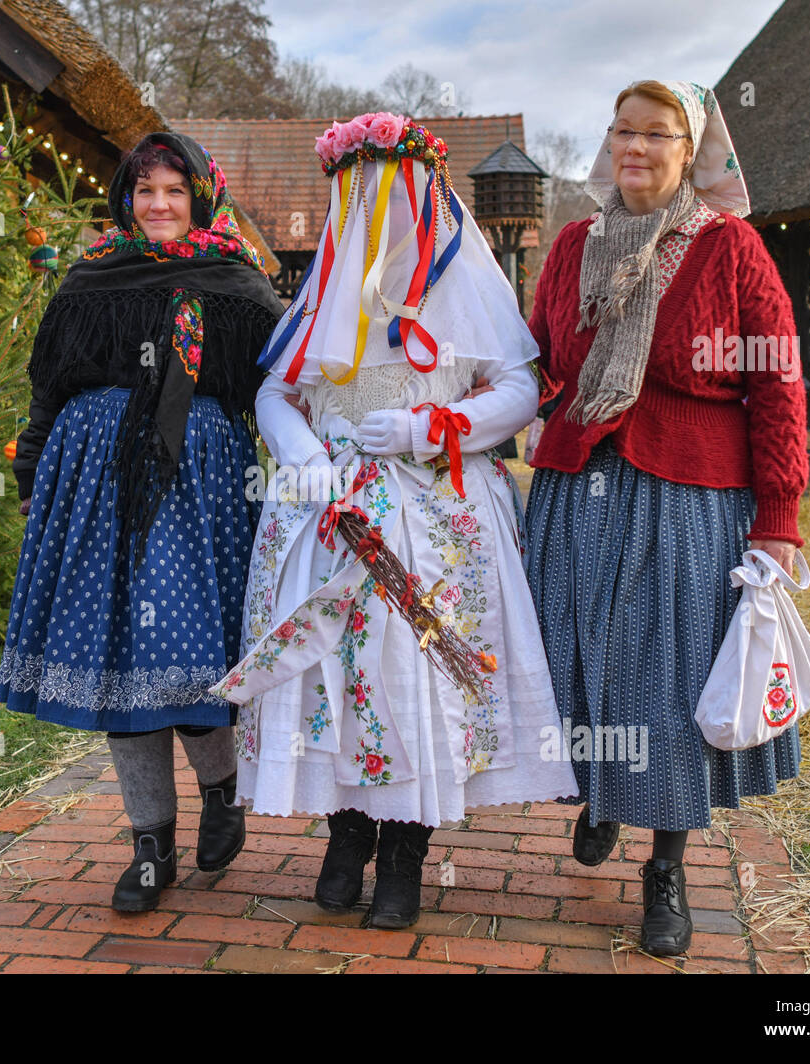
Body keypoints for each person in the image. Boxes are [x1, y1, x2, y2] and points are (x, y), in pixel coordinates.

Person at [210, 113, 578, 929]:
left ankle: (406, 850)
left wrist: (427, 428)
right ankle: (347, 830)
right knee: (334, 671)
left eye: (390, 191)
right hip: (331, 507)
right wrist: (304, 455)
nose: (375, 206)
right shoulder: (326, 285)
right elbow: (278, 389)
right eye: (359, 192)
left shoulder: (465, 285)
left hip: (433, 507)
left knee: (420, 672)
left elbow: (519, 388)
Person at [522, 81, 808, 955]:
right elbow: (536, 363)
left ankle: (666, 866)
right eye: (623, 132)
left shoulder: (732, 250)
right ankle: (603, 796)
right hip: (577, 486)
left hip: (687, 495)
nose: (636, 148)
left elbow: (778, 386)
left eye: (658, 134)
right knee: (572, 658)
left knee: (668, 678)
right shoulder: (576, 244)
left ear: (692, 151)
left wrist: (778, 516)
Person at [0, 132, 285, 911]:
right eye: (145, 190)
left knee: (186, 654)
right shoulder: (91, 278)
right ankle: (149, 846)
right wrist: (31, 473)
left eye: (174, 191)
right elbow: (48, 389)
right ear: (127, 197)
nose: (158, 205)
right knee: (120, 666)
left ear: (201, 199)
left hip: (202, 489)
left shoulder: (239, 285)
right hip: (92, 486)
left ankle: (220, 785)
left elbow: (281, 395)